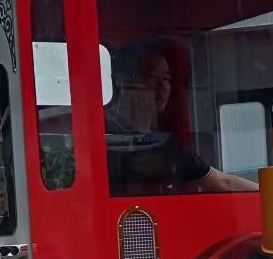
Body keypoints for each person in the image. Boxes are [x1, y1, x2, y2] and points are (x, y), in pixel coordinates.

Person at [105, 42, 258, 195]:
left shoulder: (167, 145)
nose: (162, 86)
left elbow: (221, 182)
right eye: (152, 76)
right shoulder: (104, 136)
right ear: (123, 80)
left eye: (166, 78)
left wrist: (268, 191)